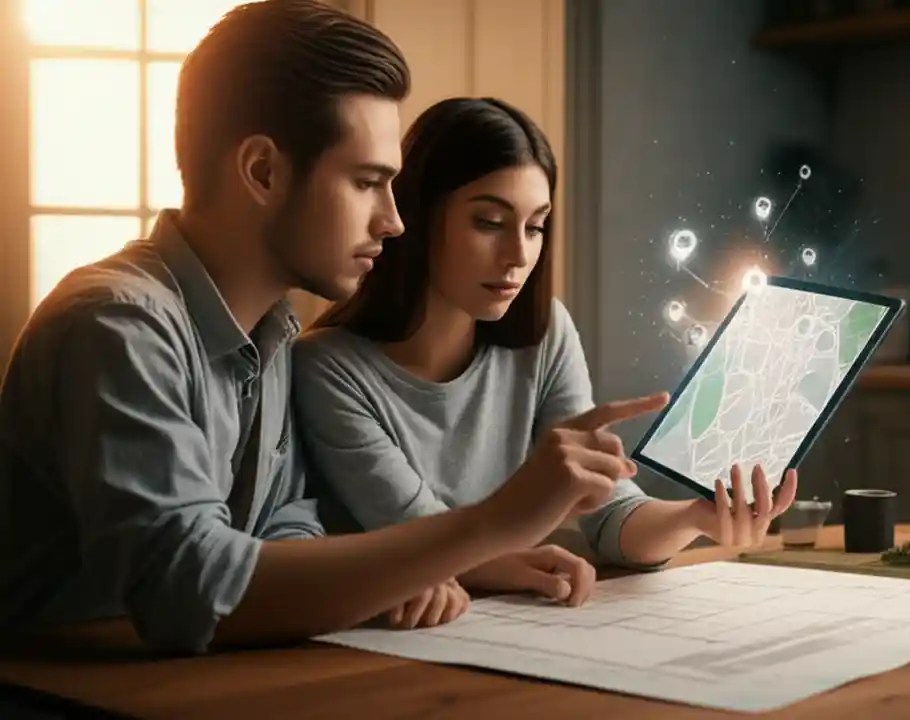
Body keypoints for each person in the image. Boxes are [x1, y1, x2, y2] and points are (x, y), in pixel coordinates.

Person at [0, 1, 656, 653]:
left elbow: (285, 521)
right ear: (262, 171)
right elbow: (191, 584)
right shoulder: (118, 324)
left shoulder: (272, 334)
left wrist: (372, 580)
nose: (395, 222)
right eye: (367, 182)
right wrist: (493, 523)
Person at [293, 97, 800, 614]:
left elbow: (607, 513)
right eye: (490, 222)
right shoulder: (326, 368)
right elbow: (419, 539)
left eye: (535, 226)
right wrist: (515, 564)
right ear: (418, 218)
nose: (518, 254)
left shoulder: (545, 334)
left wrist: (696, 518)